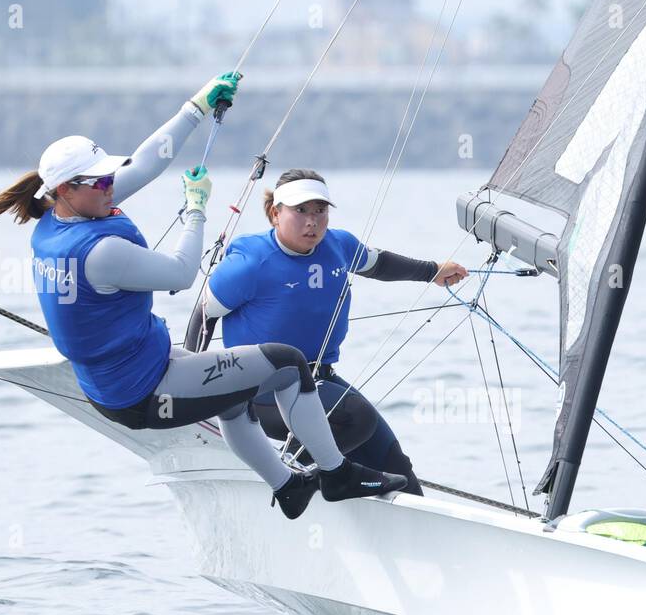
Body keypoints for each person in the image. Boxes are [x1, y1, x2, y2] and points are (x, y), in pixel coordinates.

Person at [0, 76, 405, 519]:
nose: (109, 185)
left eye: (107, 177)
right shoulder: (99, 252)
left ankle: (290, 488)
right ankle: (337, 475)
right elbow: (181, 274)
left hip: (128, 377)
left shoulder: (58, 217)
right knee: (288, 364)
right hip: (145, 392)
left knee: (235, 395)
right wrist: (196, 207)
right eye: (99, 181)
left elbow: (145, 163)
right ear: (66, 189)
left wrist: (196, 106)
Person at [199, 169, 468, 495]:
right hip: (260, 391)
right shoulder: (251, 261)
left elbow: (379, 264)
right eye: (300, 211)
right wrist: (196, 398)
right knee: (357, 417)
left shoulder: (338, 245)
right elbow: (203, 315)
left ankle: (337, 487)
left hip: (317, 380)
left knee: (399, 472)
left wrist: (433, 272)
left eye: (320, 210)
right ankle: (312, 482)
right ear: (275, 213)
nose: (312, 221)